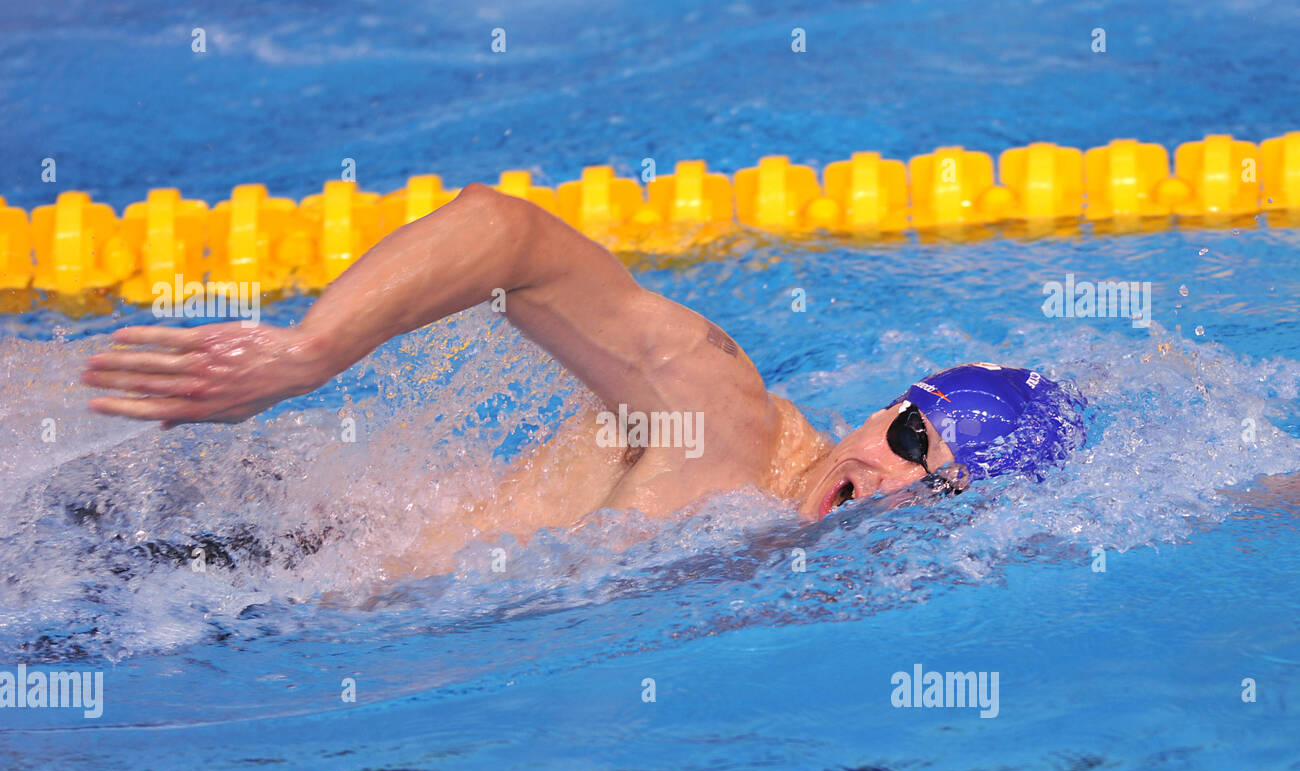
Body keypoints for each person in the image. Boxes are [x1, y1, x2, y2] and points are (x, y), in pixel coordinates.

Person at [82, 183, 1085, 560]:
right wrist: (312, 353)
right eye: (910, 437)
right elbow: (505, 233)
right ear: (882, 409)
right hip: (215, 548)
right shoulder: (725, 423)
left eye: (941, 482)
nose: (891, 478)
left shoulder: (780, 540)